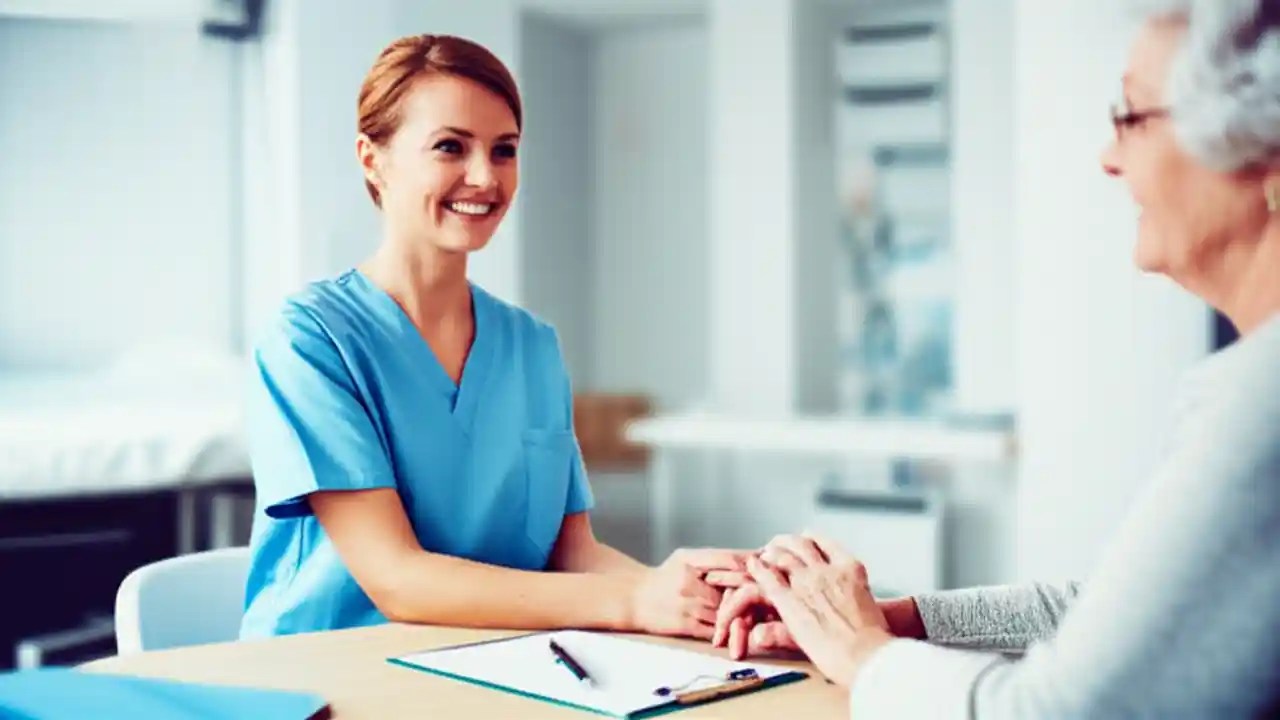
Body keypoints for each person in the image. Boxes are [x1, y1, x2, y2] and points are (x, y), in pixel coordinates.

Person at [713, 2, 1280, 717]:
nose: (1108, 158)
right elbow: (1105, 617)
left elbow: (1055, 712)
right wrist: (889, 622)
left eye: (1132, 117)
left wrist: (859, 650)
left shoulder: (1262, 405)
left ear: (1268, 153)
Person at [239, 34, 743, 640]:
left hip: (493, 664)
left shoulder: (532, 346)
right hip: (327, 670)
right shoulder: (311, 340)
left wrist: (702, 598)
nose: (484, 177)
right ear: (373, 159)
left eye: (504, 151)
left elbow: (573, 554)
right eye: (450, 147)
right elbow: (397, 579)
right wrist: (635, 602)